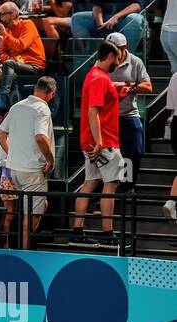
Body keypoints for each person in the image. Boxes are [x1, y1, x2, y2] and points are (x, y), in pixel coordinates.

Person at [72, 41, 124, 245]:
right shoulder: (99, 78)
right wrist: (100, 141)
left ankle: (77, 232)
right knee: (111, 185)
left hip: (95, 141)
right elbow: (93, 111)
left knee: (90, 183)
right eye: (118, 57)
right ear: (110, 56)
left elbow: (98, 108)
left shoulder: (96, 76)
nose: (119, 62)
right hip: (104, 142)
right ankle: (107, 234)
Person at [0, 75, 57, 247]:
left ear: (35, 89)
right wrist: (50, 160)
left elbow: (0, 134)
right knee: (31, 216)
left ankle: (19, 248)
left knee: (39, 206)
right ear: (51, 93)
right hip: (32, 170)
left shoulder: (17, 106)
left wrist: (12, 153)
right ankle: (25, 254)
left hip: (13, 170)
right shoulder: (42, 109)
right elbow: (40, 137)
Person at [105, 31, 150, 196]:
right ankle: (110, 190)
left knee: (133, 154)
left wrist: (126, 85)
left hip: (129, 114)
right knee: (110, 156)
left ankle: (127, 187)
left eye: (114, 49)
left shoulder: (135, 62)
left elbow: (148, 86)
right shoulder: (103, 62)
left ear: (124, 48)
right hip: (108, 117)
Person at [0, 3, 46, 112]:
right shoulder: (8, 31)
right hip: (17, 66)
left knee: (9, 64)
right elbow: (2, 53)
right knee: (11, 74)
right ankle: (12, 110)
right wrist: (12, 57)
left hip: (34, 66)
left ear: (13, 14)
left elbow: (21, 46)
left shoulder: (27, 25)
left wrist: (5, 35)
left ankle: (2, 98)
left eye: (2, 14)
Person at [71, 2, 147, 53]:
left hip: (126, 17)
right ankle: (88, 56)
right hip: (105, 17)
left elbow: (137, 6)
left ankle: (125, 56)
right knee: (77, 18)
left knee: (135, 19)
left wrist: (116, 17)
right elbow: (97, 5)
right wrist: (100, 25)